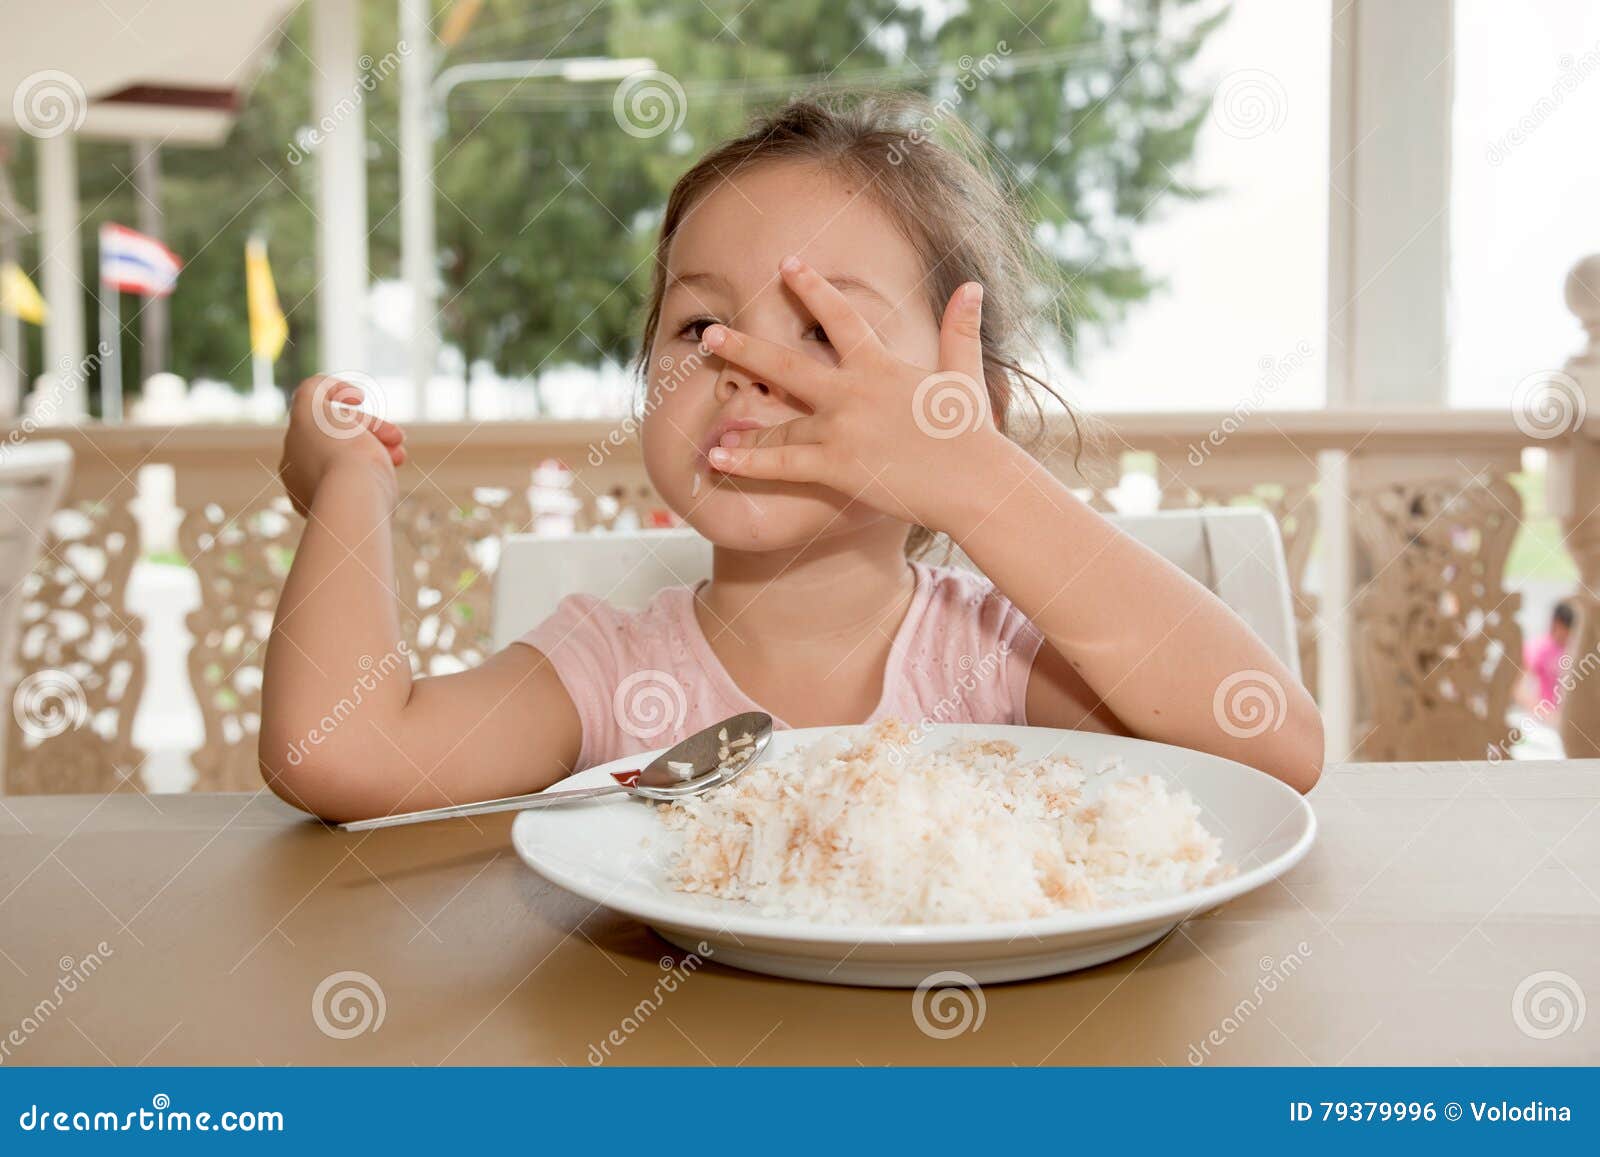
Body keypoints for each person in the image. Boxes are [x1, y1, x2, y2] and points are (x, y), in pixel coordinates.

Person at [259, 93, 1323, 823]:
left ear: (965, 402)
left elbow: (1270, 745)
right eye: (696, 329)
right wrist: (349, 488)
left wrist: (978, 475)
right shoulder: (609, 670)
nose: (744, 365)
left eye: (821, 332)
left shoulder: (995, 660)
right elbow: (337, 754)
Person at [1519, 601, 1574, 716]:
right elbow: (1518, 688)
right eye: (1566, 628)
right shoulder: (1537, 648)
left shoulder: (1576, 649)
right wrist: (1541, 710)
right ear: (1557, 623)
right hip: (1543, 718)